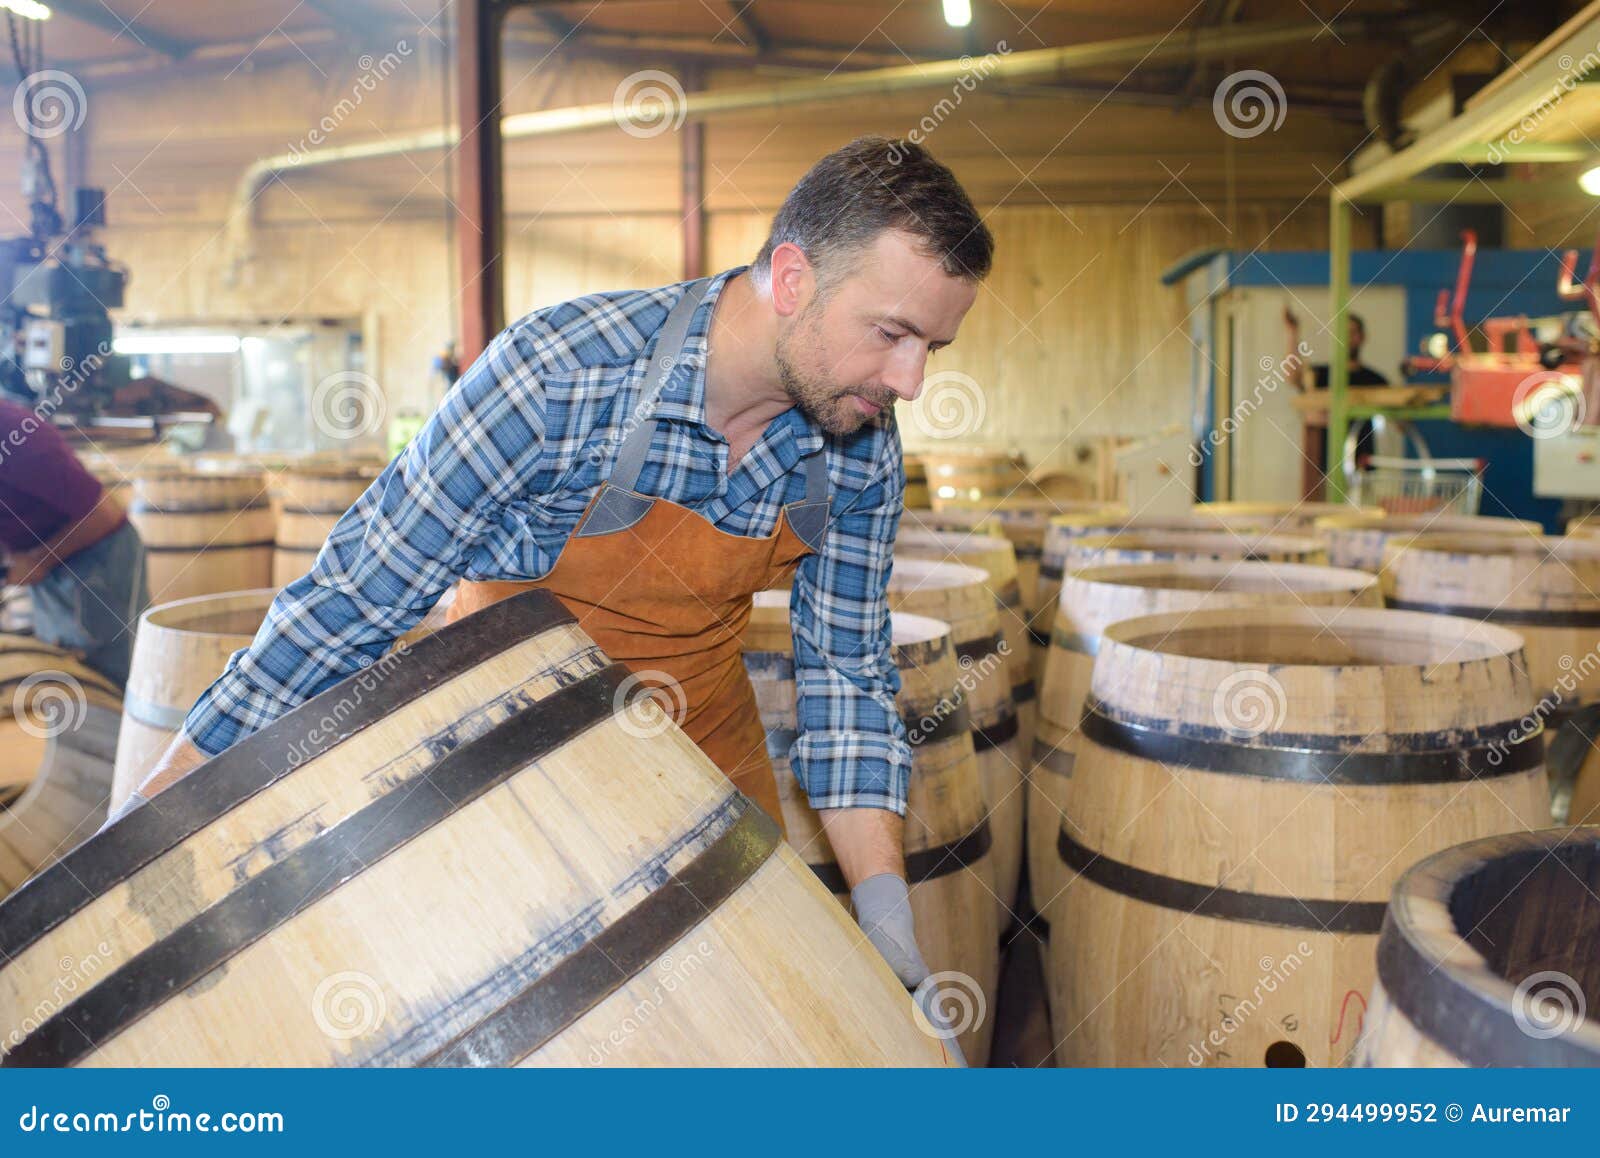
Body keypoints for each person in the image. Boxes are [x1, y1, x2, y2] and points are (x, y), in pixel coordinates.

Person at [118, 136, 995, 1010]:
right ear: (795, 279)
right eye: (892, 334)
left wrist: (885, 917)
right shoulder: (562, 375)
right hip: (506, 774)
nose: (911, 381)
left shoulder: (858, 449)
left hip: (705, 771)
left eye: (934, 348)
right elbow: (355, 600)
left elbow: (844, 673)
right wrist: (145, 827)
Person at [0, 399, 150, 686]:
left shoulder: (13, 435)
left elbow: (105, 513)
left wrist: (37, 560)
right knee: (63, 674)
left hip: (96, 559)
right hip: (44, 560)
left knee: (113, 684)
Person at [1283, 306, 1388, 468]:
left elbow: (1399, 422)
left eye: (1352, 333)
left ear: (1362, 337)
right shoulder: (1323, 375)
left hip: (1362, 469)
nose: (1347, 338)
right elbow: (1293, 376)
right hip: (1324, 468)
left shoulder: (1376, 380)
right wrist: (1292, 332)